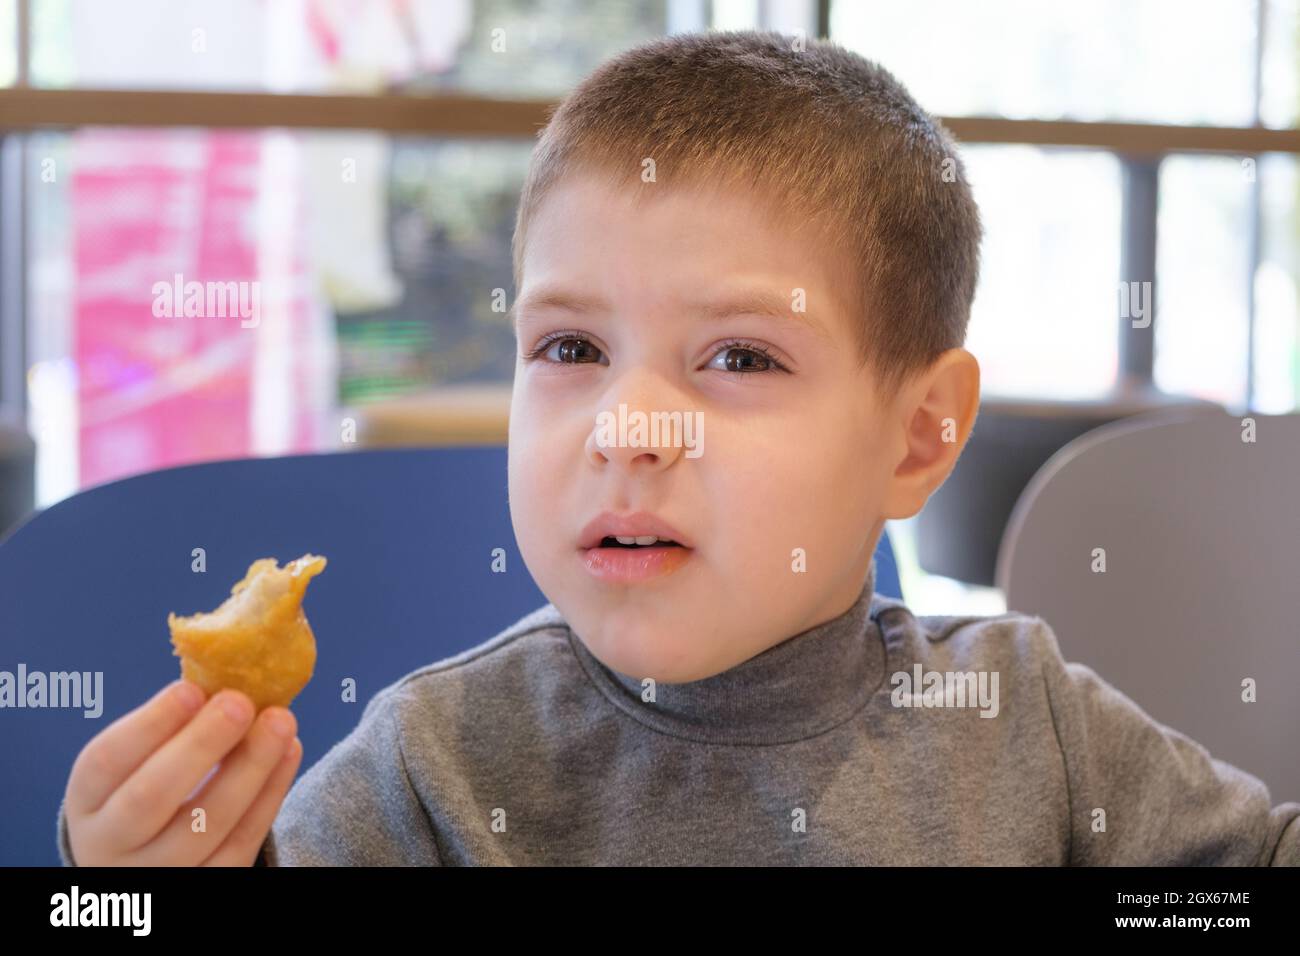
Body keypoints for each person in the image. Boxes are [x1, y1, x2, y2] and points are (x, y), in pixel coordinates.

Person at [57, 30, 1299, 866]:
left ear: (919, 435)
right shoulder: (428, 767)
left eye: (740, 359)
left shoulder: (1027, 728)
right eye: (568, 350)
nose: (625, 428)